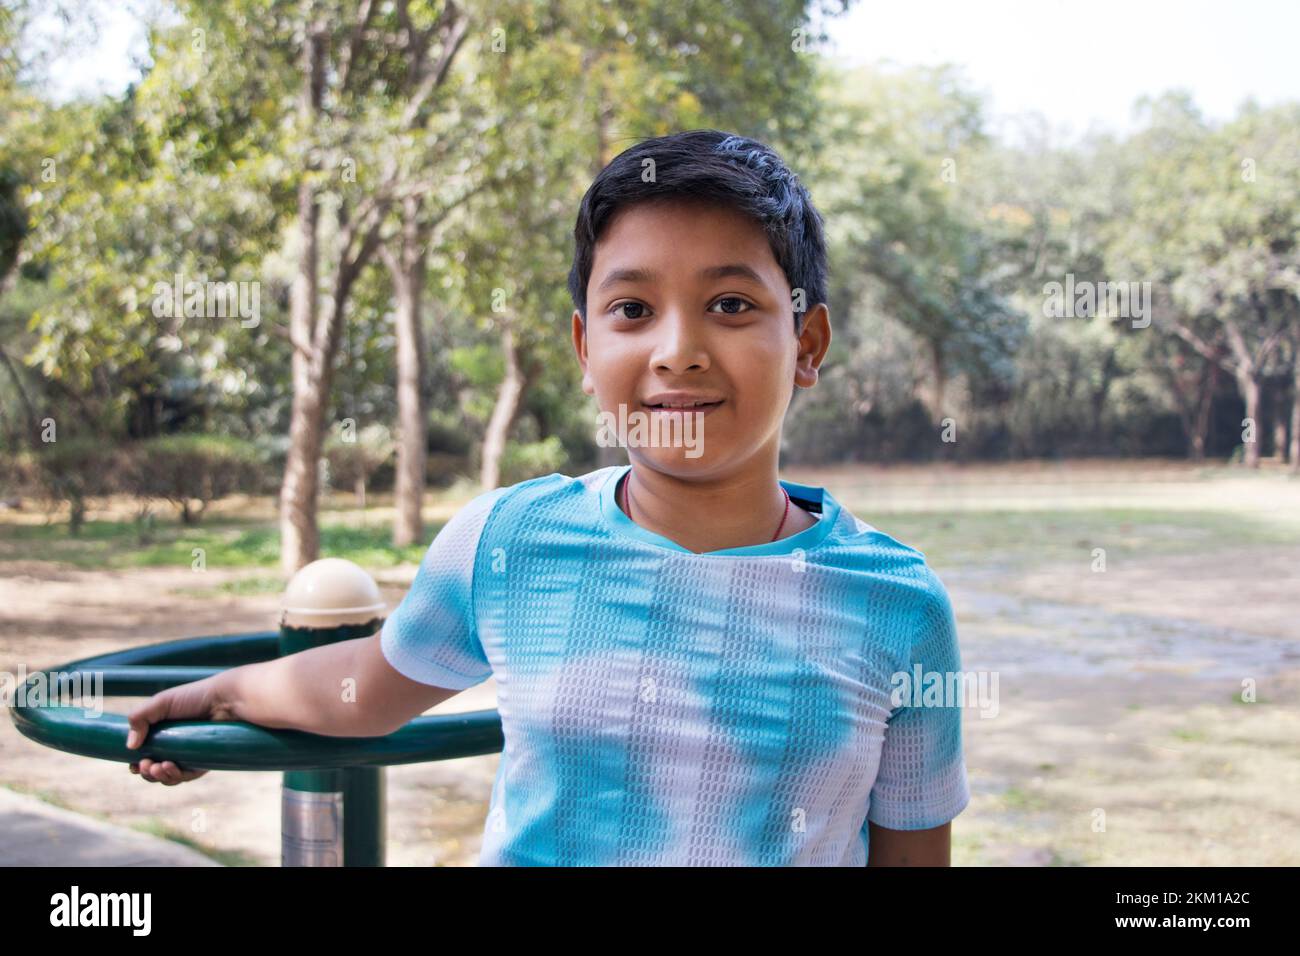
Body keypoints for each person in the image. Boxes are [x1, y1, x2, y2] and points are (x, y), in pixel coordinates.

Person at [126, 129, 971, 866]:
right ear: (584, 345)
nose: (678, 351)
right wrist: (218, 700)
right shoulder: (509, 541)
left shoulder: (897, 607)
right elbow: (363, 685)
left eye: (729, 304)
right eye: (633, 308)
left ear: (806, 342)